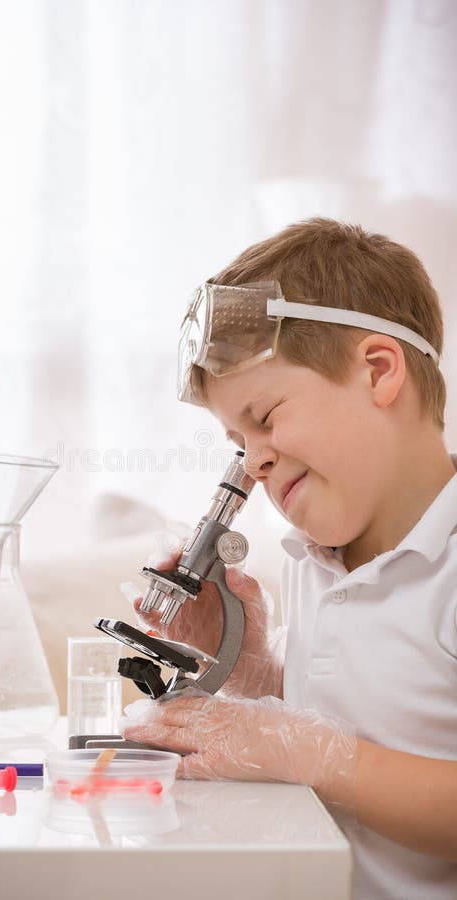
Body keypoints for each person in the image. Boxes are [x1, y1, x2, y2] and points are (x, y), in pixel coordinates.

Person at [120, 219, 457, 900]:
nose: (253, 463)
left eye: (266, 417)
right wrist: (247, 668)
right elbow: (357, 706)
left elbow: (333, 749)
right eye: (237, 440)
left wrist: (309, 755)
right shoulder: (316, 561)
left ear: (378, 371)